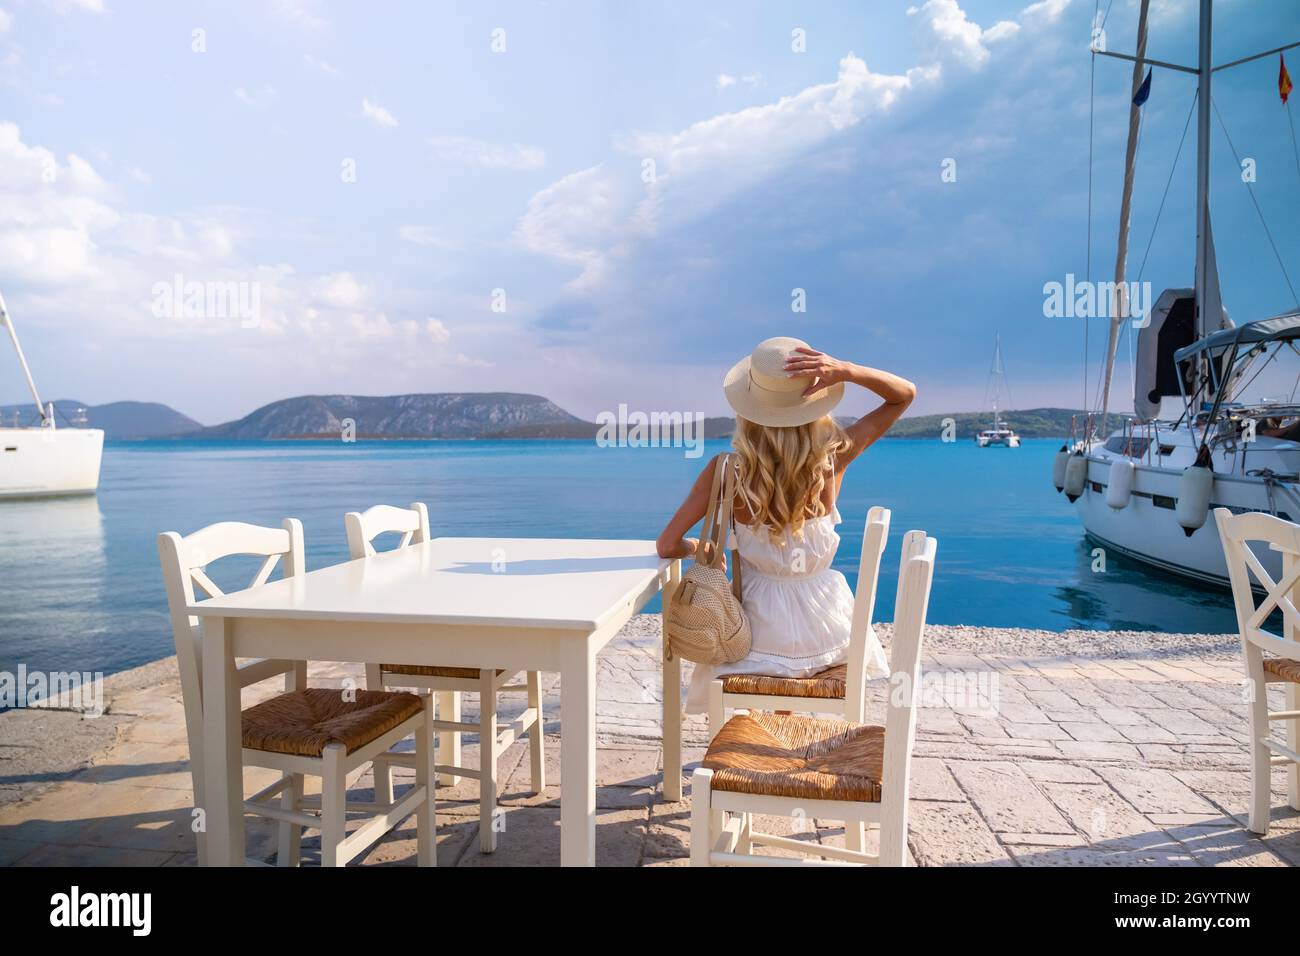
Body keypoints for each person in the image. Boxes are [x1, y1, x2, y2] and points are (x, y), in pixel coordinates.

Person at [656, 336, 916, 712]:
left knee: (742, 662)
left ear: (747, 411)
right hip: (831, 633)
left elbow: (667, 545)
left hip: (754, 639)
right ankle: (793, 725)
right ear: (816, 406)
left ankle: (766, 730)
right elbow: (903, 395)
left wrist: (700, 547)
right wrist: (844, 369)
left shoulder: (725, 472)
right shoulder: (833, 460)